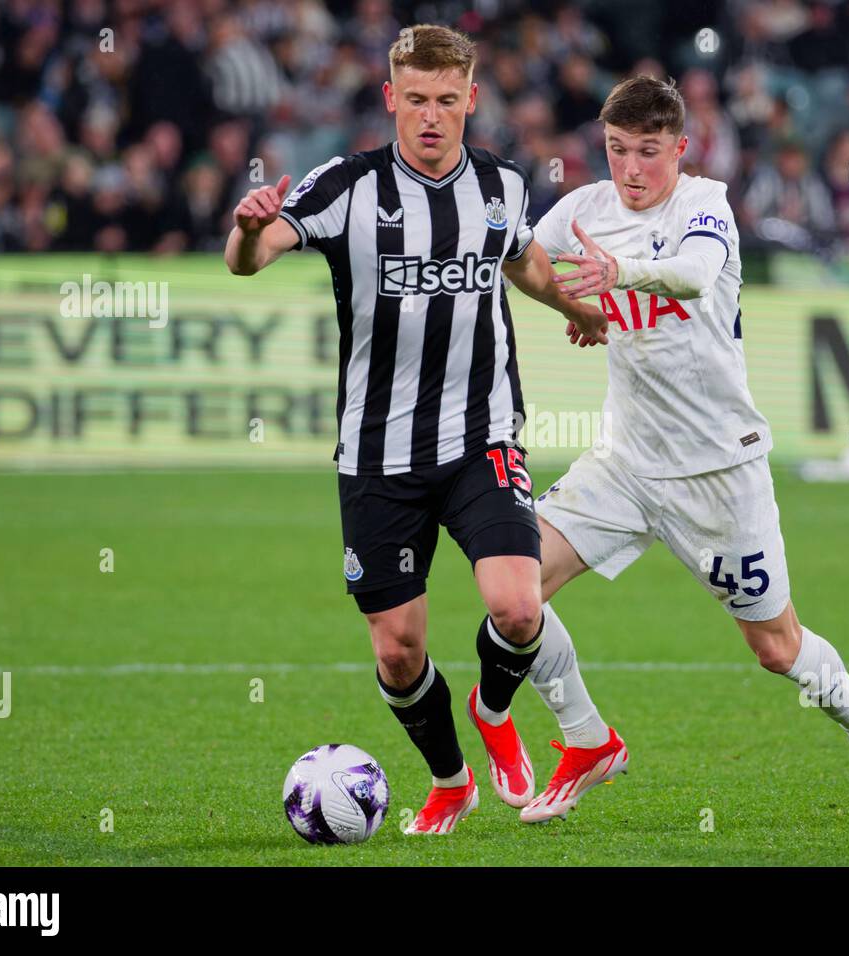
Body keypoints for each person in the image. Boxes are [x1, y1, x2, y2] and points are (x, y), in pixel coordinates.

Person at [499, 75, 849, 824]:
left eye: (647, 152)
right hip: (626, 463)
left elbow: (695, 278)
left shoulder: (705, 203)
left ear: (680, 148)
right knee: (513, 594)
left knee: (777, 648)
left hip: (718, 473)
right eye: (615, 151)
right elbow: (520, 260)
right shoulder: (584, 208)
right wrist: (577, 306)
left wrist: (618, 275)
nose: (631, 169)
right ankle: (587, 740)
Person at [223, 24, 605, 835]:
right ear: (392, 99)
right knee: (397, 650)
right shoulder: (347, 187)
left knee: (517, 606)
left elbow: (523, 259)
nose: (431, 117)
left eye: (447, 101)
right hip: (377, 454)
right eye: (416, 101)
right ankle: (451, 778)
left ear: (471, 99)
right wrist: (252, 226)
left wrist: (573, 304)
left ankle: (494, 714)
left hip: (482, 437)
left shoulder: (500, 185)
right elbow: (251, 258)